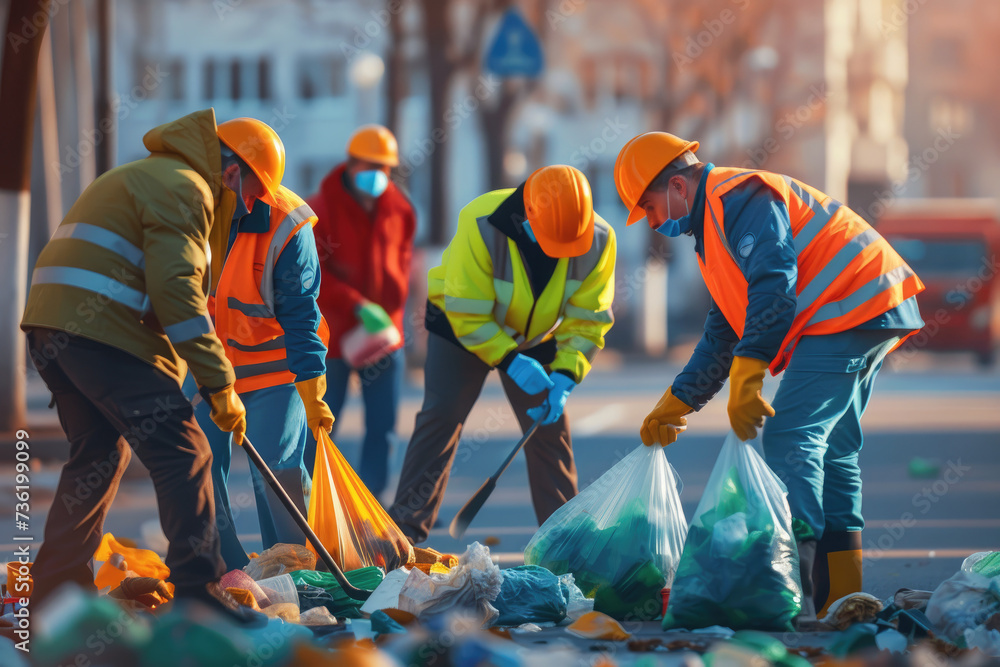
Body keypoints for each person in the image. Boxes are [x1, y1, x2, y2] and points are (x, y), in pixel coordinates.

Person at [614, 132, 925, 619]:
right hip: (871, 303)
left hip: (849, 306)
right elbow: (724, 328)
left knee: (791, 436)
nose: (653, 222)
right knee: (833, 450)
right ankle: (843, 600)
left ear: (676, 186)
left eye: (650, 208)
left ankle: (797, 592)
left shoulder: (738, 199)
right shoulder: (714, 227)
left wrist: (751, 369)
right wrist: (680, 399)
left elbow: (774, 284)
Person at [20, 109, 283, 616]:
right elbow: (176, 294)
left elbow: (151, 291)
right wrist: (220, 383)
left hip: (55, 327)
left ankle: (54, 592)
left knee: (98, 456)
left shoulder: (151, 174)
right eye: (251, 195)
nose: (248, 208)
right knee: (186, 452)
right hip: (97, 331)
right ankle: (199, 593)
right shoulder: (187, 187)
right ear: (232, 172)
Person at [388, 165, 617, 544]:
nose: (562, 253)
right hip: (461, 326)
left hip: (535, 334)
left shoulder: (600, 239)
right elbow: (467, 312)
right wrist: (509, 360)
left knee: (549, 429)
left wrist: (566, 374)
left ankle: (566, 542)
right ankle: (403, 535)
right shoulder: (480, 223)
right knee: (442, 416)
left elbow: (588, 320)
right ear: (530, 213)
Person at [191, 161, 334, 570]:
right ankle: (223, 570)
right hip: (209, 366)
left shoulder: (287, 225)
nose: (255, 194)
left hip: (275, 370)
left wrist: (312, 389)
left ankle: (298, 570)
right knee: (197, 463)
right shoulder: (194, 209)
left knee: (276, 472)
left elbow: (301, 316)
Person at [305, 125, 416, 498]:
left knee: (383, 428)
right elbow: (313, 275)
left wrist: (391, 319)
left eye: (385, 167)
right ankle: (310, 501)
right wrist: (356, 305)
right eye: (371, 165)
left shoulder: (400, 209)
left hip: (383, 335)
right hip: (332, 337)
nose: (379, 174)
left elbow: (401, 268)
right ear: (351, 164)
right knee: (321, 425)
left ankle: (372, 505)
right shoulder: (319, 210)